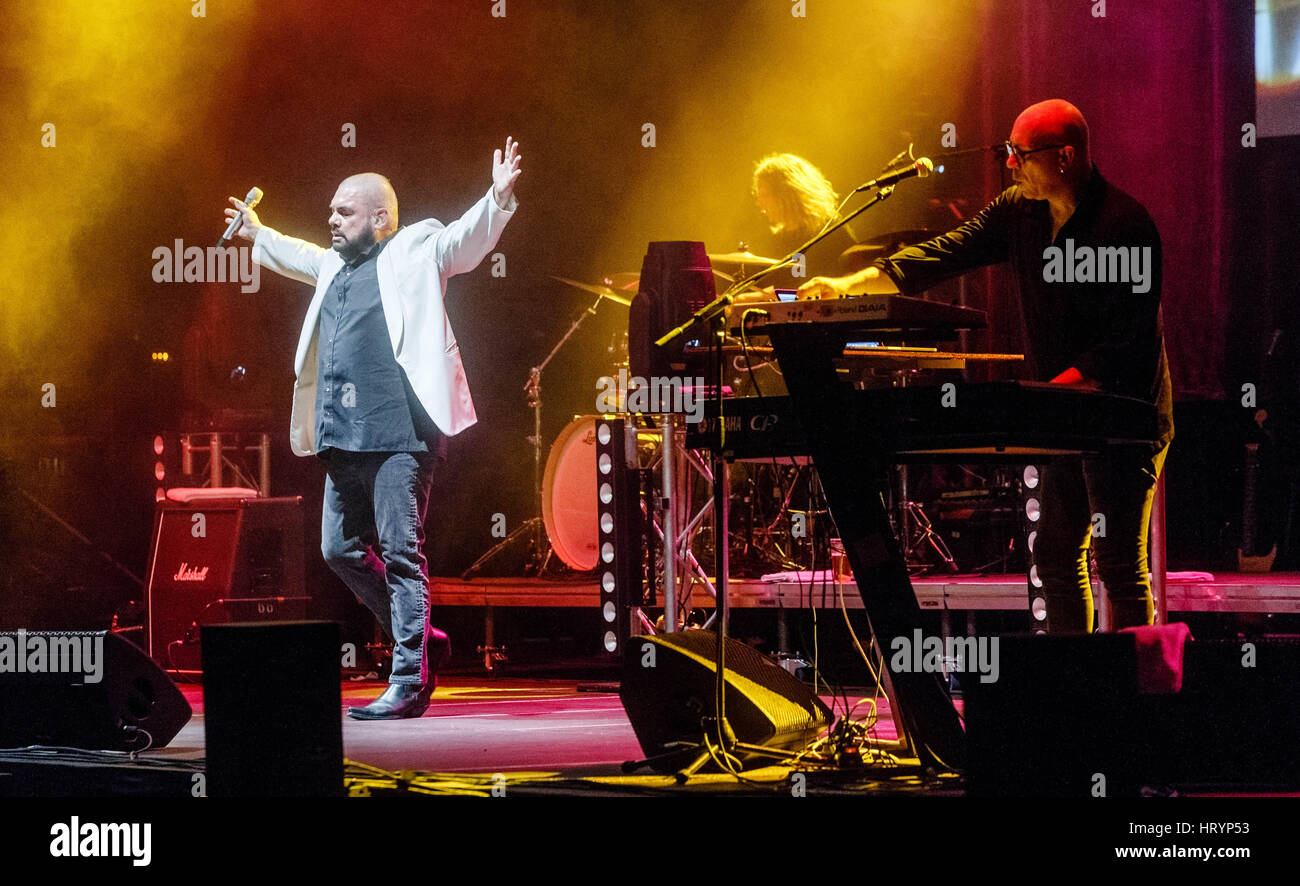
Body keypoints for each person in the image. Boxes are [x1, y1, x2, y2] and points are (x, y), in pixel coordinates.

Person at [798, 100, 1174, 632]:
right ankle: (1076, 696)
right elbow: (945, 252)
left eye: (1020, 154)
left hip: (1122, 422)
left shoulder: (1124, 225)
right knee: (1057, 564)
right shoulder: (1019, 211)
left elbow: (1124, 349)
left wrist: (1042, 399)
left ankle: (1134, 705)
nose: (1010, 165)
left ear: (1064, 156)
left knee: (1118, 565)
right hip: (1061, 420)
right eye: (1007, 153)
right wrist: (848, 286)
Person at [222, 138, 522, 718]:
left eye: (344, 212)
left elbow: (463, 240)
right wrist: (256, 232)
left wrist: (497, 197)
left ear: (380, 218)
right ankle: (424, 638)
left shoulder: (413, 249)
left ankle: (409, 678)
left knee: (403, 552)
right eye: (331, 211)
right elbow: (297, 253)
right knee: (337, 549)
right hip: (342, 437)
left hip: (399, 436)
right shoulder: (333, 264)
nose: (331, 220)